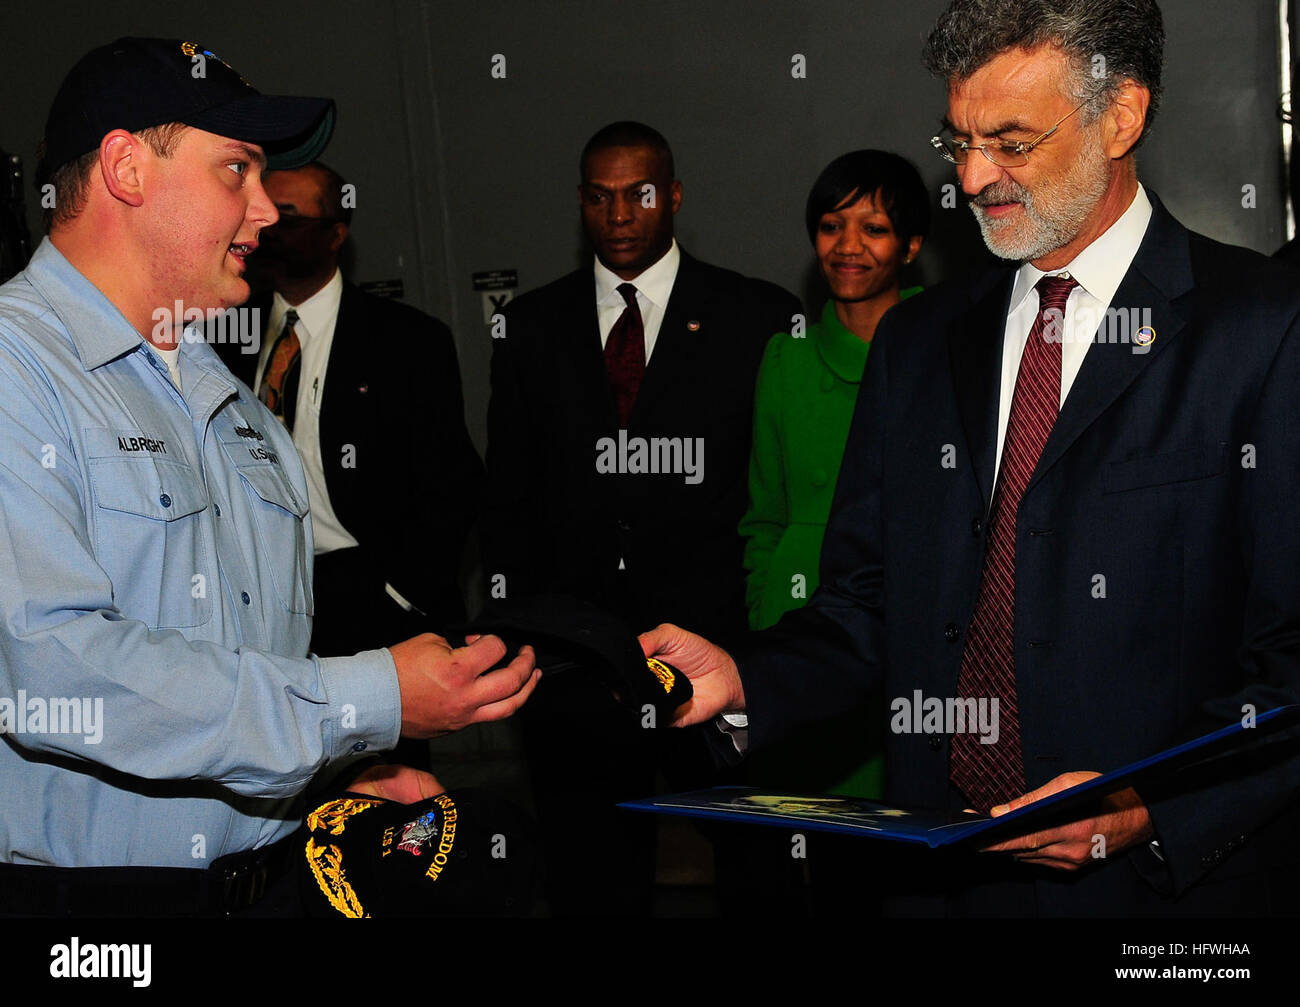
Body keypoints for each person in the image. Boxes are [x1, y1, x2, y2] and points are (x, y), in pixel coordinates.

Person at [643, 0, 1300, 917]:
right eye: (957, 143)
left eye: (1012, 142)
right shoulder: (918, 341)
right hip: (934, 876)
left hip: (1150, 898)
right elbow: (869, 604)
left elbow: (1290, 658)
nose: (974, 177)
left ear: (1123, 117)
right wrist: (749, 677)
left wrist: (1148, 807)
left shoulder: (1260, 328)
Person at [0, 36, 536, 917]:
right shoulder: (22, 372)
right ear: (128, 168)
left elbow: (245, 664)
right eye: (237, 170)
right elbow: (56, 672)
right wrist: (371, 698)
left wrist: (343, 774)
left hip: (274, 883)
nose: (265, 211)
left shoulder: (236, 400)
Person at [482, 121, 801, 914]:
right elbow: (510, 499)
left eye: (640, 194)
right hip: (574, 661)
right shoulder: (530, 328)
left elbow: (777, 494)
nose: (619, 214)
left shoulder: (756, 316)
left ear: (675, 197)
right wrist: (515, 635)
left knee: (756, 866)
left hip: (717, 650)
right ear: (582, 204)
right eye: (600, 196)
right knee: (593, 873)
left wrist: (772, 646)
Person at [219, 162, 484, 660]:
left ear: (335, 235)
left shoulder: (406, 340)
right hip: (259, 590)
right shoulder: (223, 331)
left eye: (290, 219)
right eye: (263, 215)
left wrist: (401, 593)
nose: (269, 231)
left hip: (367, 593)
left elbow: (452, 481)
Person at [740, 150, 928, 801]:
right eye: (830, 225)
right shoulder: (785, 358)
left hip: (911, 629)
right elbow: (763, 517)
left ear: (911, 245)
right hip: (802, 630)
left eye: (873, 228)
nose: (847, 247)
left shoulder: (949, 347)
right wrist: (767, 627)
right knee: (828, 852)